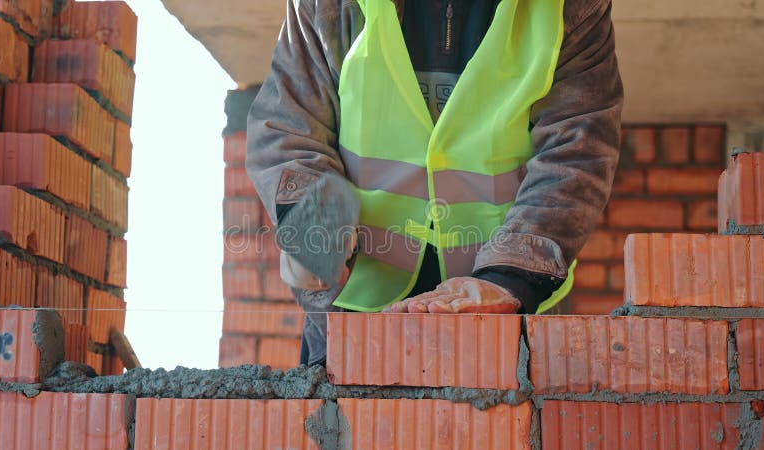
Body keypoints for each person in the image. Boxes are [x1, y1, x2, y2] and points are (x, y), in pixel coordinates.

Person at [246, 0, 623, 366]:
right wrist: (311, 218)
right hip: (354, 306)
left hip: (502, 306)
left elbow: (576, 152)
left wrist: (509, 276)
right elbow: (289, 130)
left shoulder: (570, 7)